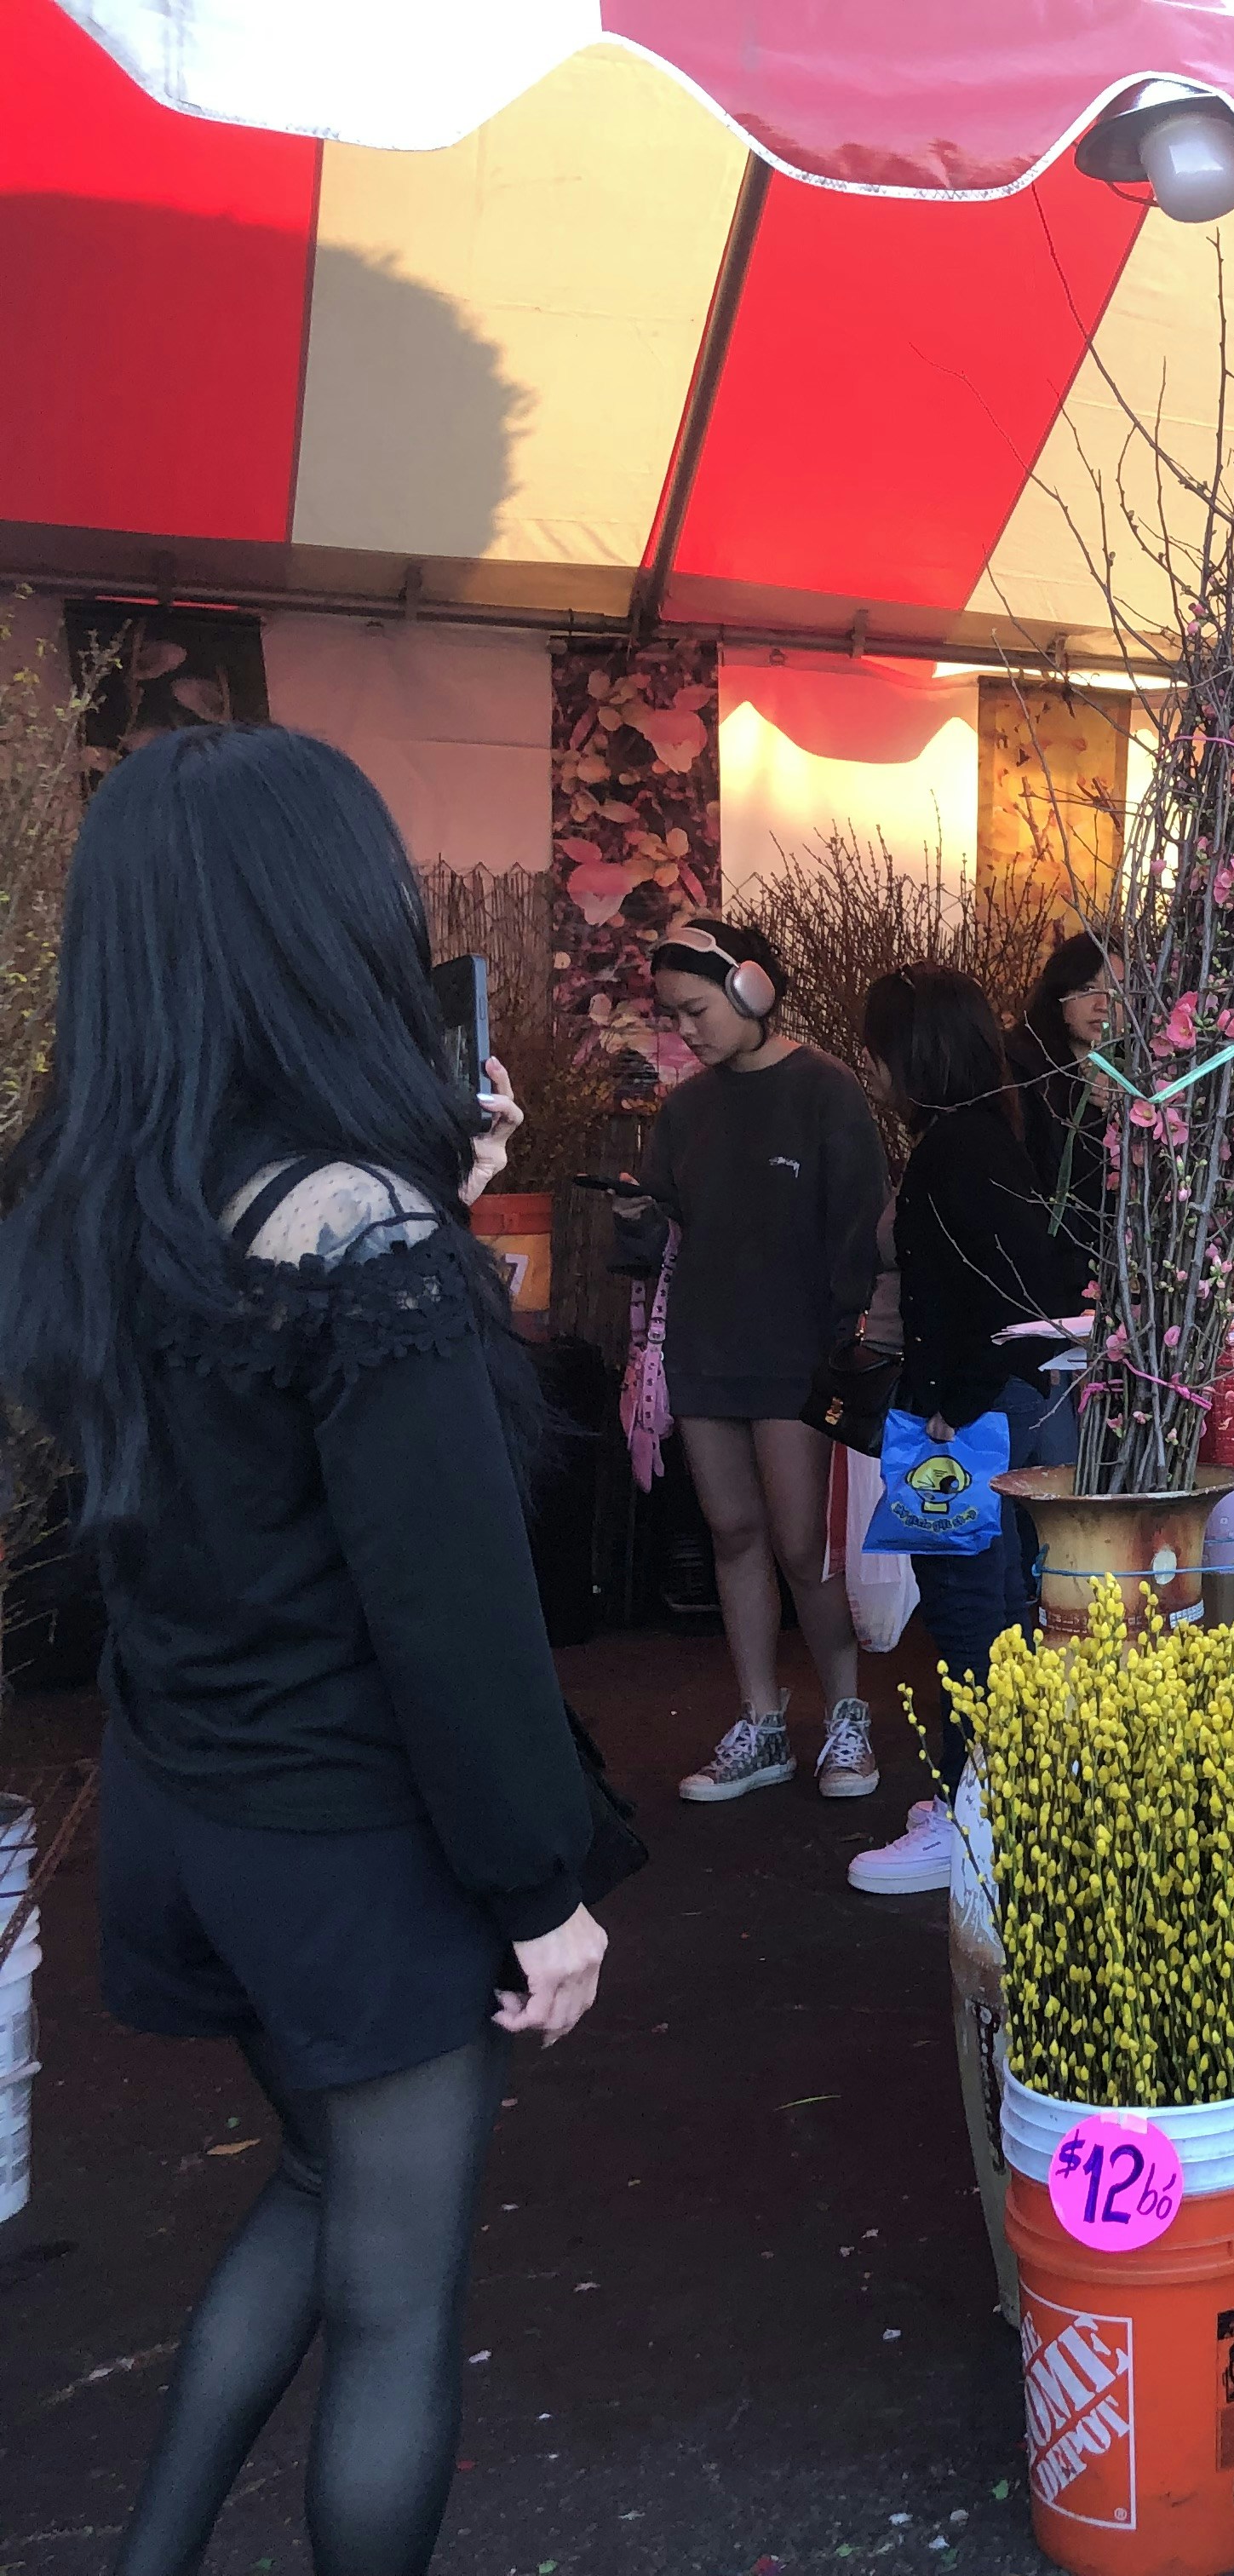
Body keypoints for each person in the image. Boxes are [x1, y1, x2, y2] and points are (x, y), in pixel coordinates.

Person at [0, 726, 605, 2576]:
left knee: (326, 2183)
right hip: (355, 1837)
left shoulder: (82, 1198)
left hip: (190, 1798)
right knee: (403, 2303)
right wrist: (540, 1891)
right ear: (316, 930)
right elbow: (452, 1603)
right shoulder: (362, 1237)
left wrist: (432, 1178)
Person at [609, 922, 889, 1805]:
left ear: (751, 991)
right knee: (732, 1533)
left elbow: (864, 1235)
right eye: (673, 1015)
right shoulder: (685, 1111)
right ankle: (762, 1723)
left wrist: (856, 1347)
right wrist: (635, 1224)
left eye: (695, 1010)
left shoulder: (828, 1093)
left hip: (801, 1356)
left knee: (807, 1546)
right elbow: (656, 1234)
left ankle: (847, 1716)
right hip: (705, 1345)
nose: (685, 1031)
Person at [845, 964, 1088, 1895]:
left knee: (969, 1622)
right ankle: (978, 1796)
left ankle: (970, 1817)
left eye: (877, 1052)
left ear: (909, 1054)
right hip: (997, 1406)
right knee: (996, 1616)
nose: (870, 1071)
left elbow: (1020, 1290)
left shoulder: (958, 1148)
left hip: (965, 1418)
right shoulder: (998, 1135)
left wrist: (959, 1391)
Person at [1004, 931, 1117, 1270]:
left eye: (1118, 990)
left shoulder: (1141, 1074)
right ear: (1059, 992)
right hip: (1043, 1264)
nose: (1104, 1004)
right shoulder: (1021, 1069)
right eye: (1087, 988)